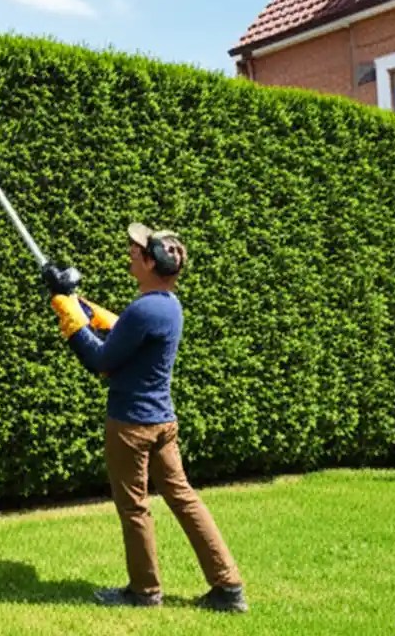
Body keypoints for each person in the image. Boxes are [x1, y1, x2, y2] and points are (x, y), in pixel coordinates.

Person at [47, 222, 248, 613]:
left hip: (130, 427)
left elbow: (101, 360)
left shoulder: (145, 309)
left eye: (136, 251)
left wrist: (64, 308)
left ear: (150, 264)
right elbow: (121, 329)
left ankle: (145, 591)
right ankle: (229, 587)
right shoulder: (167, 305)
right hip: (162, 423)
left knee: (135, 506)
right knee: (184, 498)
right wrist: (77, 301)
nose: (130, 253)